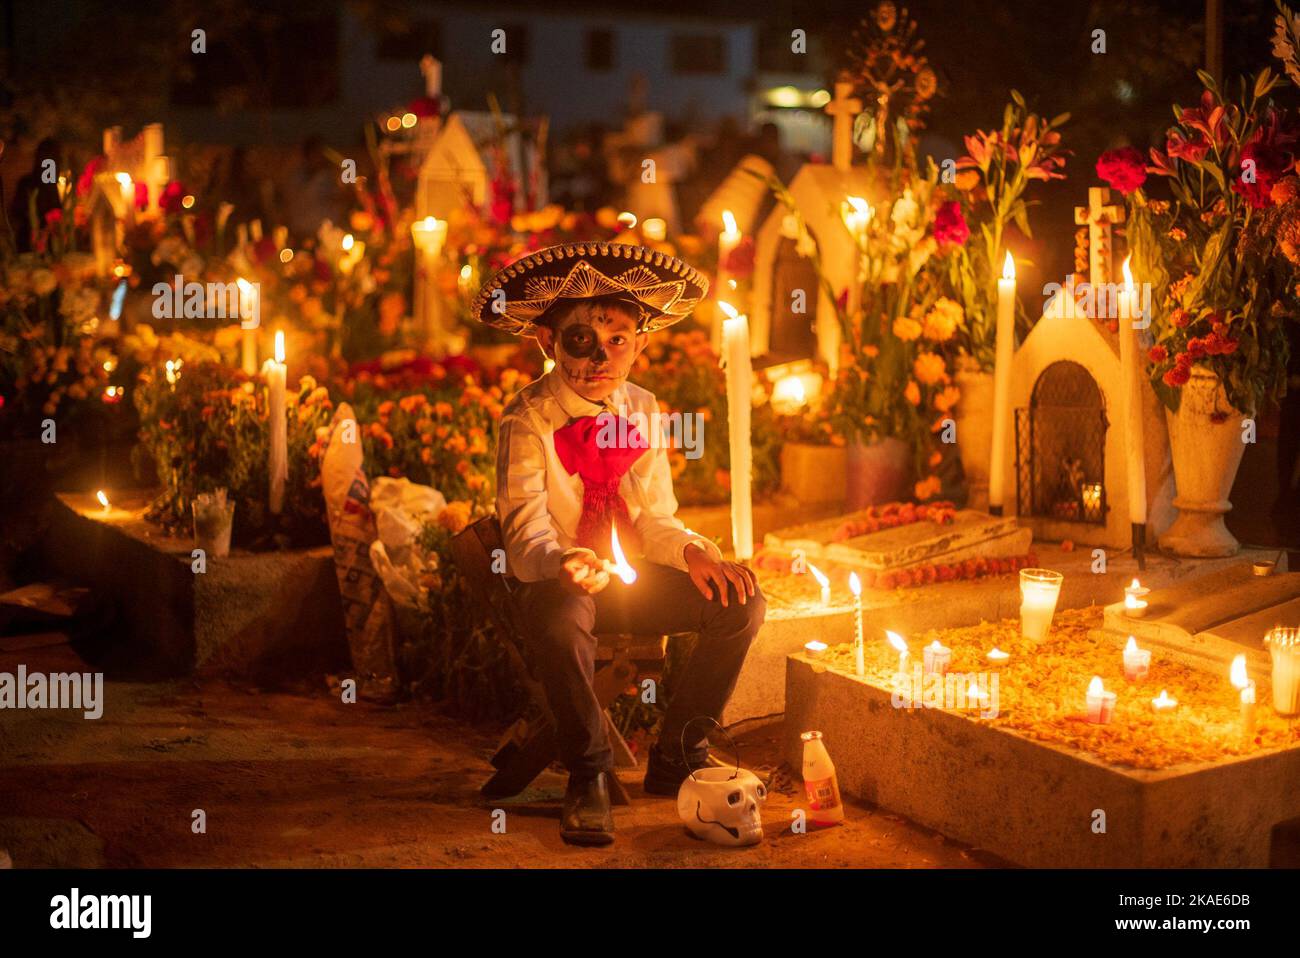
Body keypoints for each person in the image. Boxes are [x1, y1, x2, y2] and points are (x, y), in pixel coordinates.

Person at [472, 244, 766, 845]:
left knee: (740, 602)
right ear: (549, 343)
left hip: (630, 580)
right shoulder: (527, 419)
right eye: (581, 340)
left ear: (640, 345)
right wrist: (565, 561)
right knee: (559, 625)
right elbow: (524, 532)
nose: (599, 358)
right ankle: (589, 774)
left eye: (618, 340)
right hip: (560, 581)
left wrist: (693, 552)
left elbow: (656, 518)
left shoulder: (645, 409)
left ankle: (679, 754)